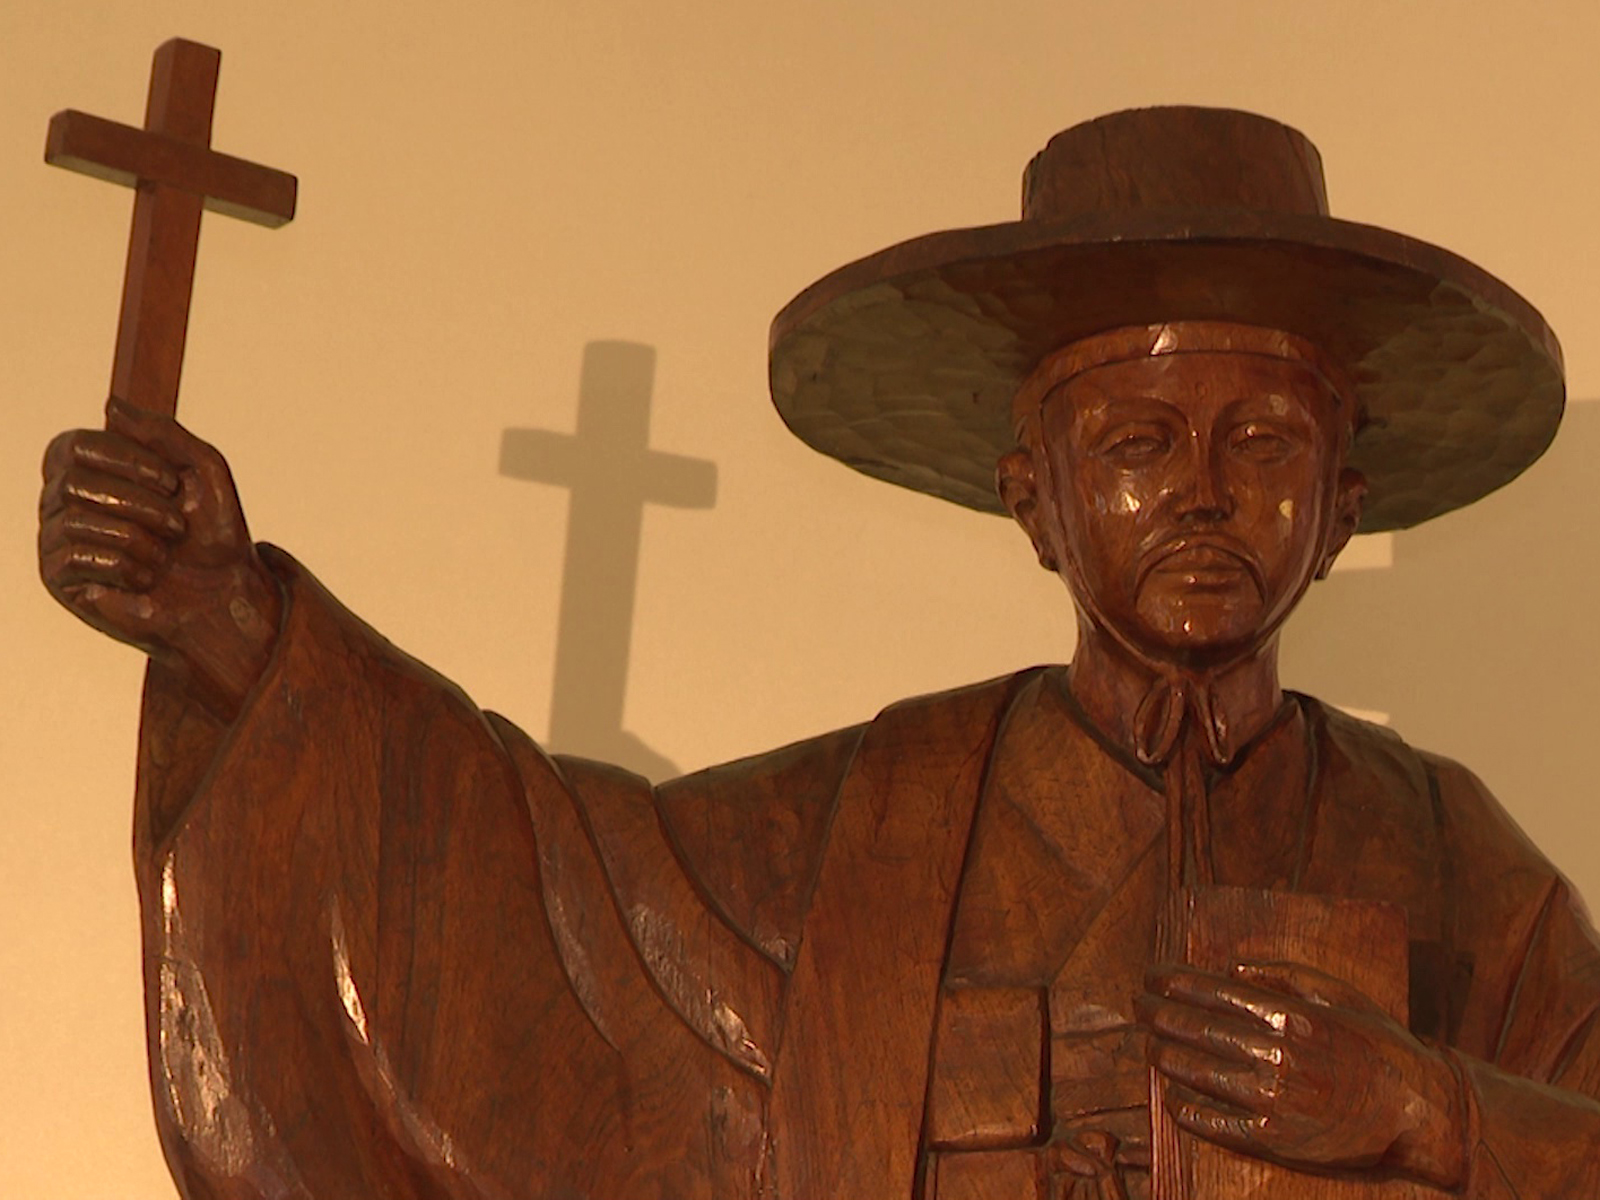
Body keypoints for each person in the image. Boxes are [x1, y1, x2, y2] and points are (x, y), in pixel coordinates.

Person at [37, 107, 1600, 1200]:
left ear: (1342, 506)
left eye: (1263, 439)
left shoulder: (1458, 858)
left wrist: (1428, 1108)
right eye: (1136, 438)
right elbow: (541, 895)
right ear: (1033, 501)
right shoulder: (869, 822)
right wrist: (231, 621)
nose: (1200, 489)